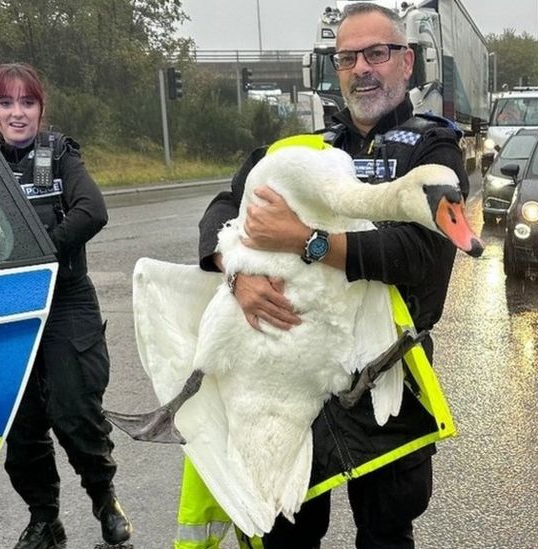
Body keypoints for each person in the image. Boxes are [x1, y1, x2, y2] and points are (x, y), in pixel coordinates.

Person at [195, 4, 469, 548]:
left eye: (377, 53)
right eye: (348, 58)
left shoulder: (433, 149)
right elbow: (223, 209)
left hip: (386, 372)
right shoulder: (304, 149)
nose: (362, 68)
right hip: (297, 373)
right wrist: (236, 274)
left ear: (407, 62)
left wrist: (306, 240)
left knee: (387, 530)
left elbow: (422, 254)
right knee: (286, 531)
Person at [0, 63, 131, 549]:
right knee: (22, 427)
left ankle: (105, 500)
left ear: (40, 108)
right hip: (5, 303)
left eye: (27, 103)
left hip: (64, 297)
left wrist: (41, 250)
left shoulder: (58, 153)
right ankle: (44, 519)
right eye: (6, 103)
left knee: (75, 410)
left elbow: (93, 210)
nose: (17, 113)